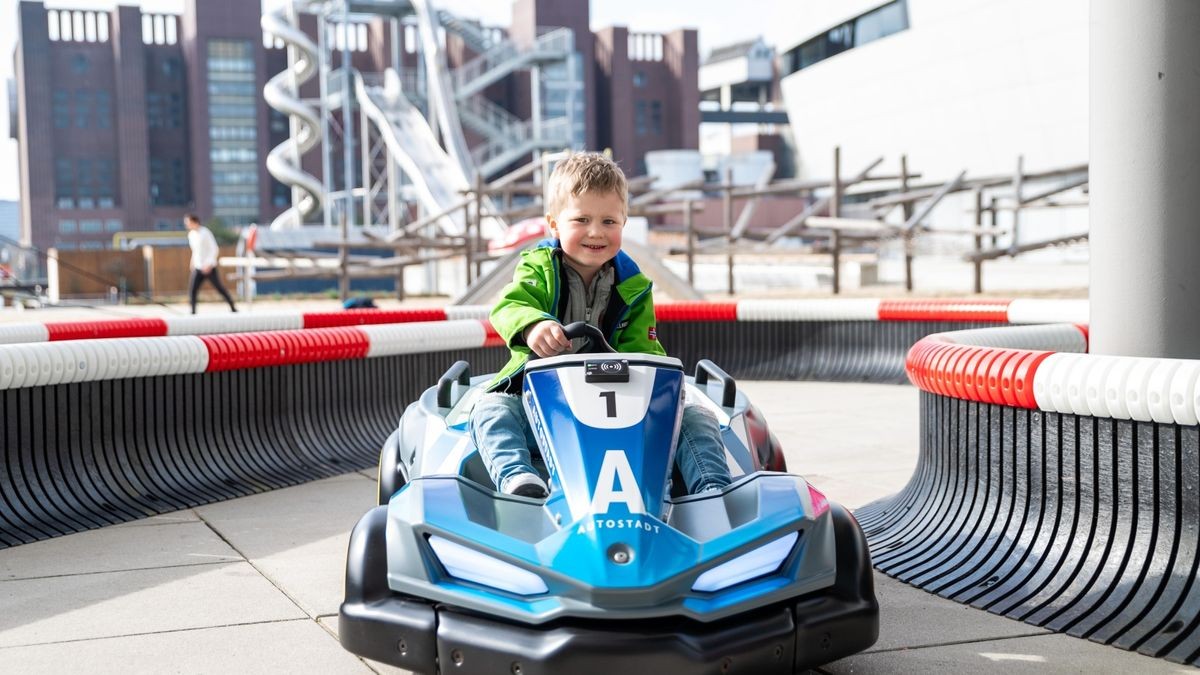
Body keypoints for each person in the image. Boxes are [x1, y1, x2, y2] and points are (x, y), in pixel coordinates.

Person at [469, 152, 732, 499]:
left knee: (697, 417)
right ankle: (518, 479)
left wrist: (657, 392)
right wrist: (533, 326)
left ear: (624, 222)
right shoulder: (538, 269)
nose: (596, 232)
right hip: (546, 409)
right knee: (491, 409)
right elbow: (509, 306)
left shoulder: (635, 287)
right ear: (554, 225)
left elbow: (645, 353)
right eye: (581, 219)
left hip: (621, 411)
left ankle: (712, 490)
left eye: (609, 221)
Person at [185, 213, 237, 314]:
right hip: (198, 266)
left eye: (189, 222)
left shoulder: (205, 232)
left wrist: (208, 264)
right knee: (193, 289)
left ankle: (232, 307)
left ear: (195, 222)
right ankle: (193, 311)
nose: (187, 225)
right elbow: (195, 251)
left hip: (209, 267)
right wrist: (192, 262)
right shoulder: (191, 235)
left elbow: (214, 249)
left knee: (219, 288)